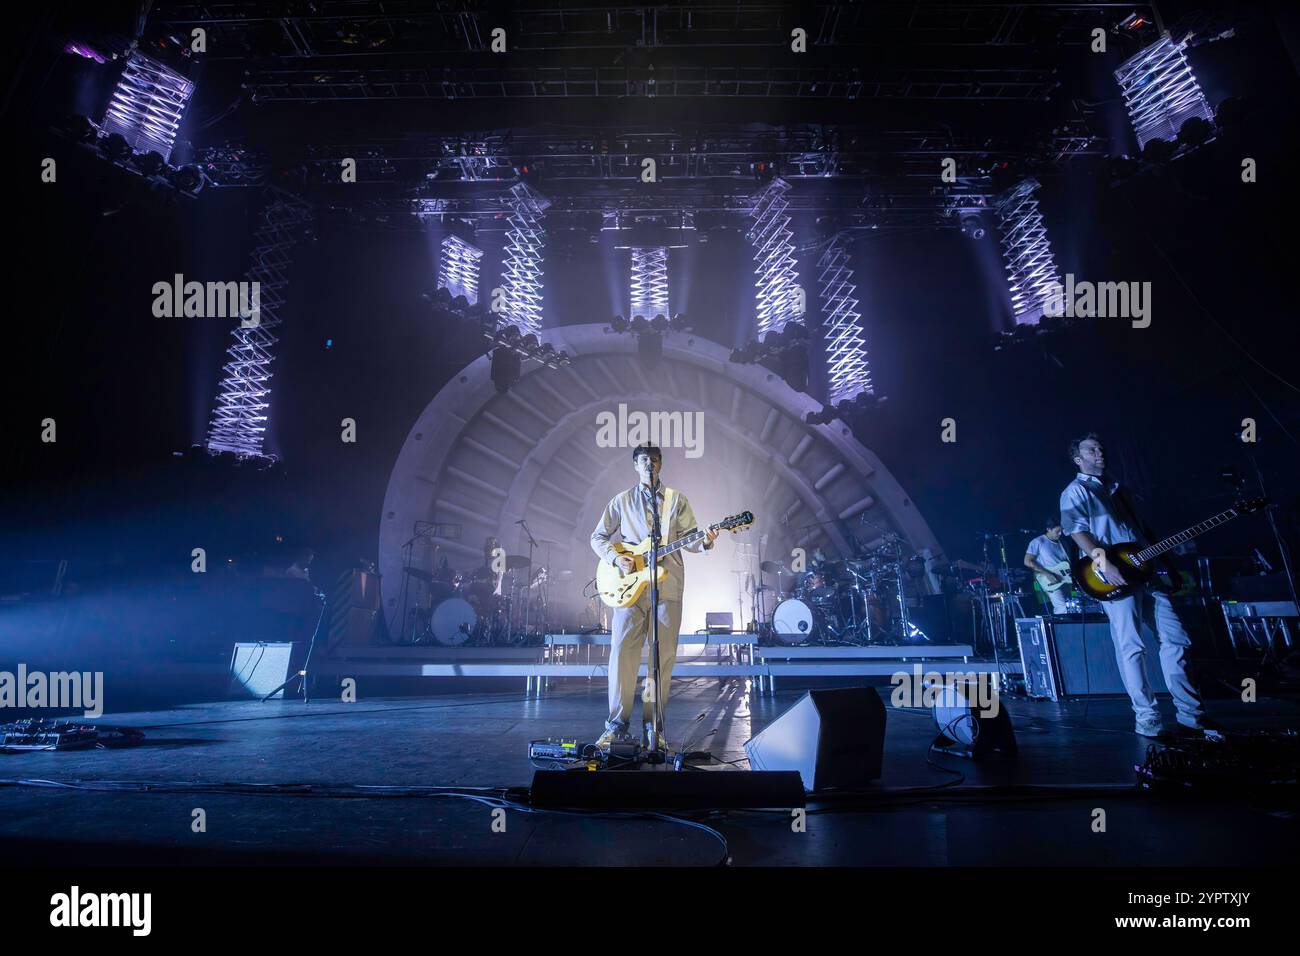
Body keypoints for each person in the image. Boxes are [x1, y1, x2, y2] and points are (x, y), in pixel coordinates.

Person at [1059, 433, 1220, 739]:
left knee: (1177, 639)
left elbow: (1136, 533)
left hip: (1146, 573)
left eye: (1101, 448)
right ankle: (1146, 717)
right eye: (1091, 450)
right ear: (1078, 459)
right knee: (1131, 646)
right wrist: (1103, 561)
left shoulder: (1119, 490)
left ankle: (1192, 716)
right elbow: (1075, 530)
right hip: (1111, 576)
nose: (1100, 452)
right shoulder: (1075, 491)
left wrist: (1166, 551)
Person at [590, 445, 717, 751]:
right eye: (644, 460)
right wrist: (615, 558)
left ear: (661, 465)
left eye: (655, 460)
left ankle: (654, 728)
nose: (650, 464)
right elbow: (598, 537)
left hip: (668, 587)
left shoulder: (677, 499)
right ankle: (616, 726)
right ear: (635, 465)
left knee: (662, 660)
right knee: (622, 654)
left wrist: (707, 541)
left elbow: (691, 540)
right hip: (630, 589)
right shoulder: (622, 500)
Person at [1024, 518, 1071, 614]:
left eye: (1061, 530)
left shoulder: (1063, 543)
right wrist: (1048, 574)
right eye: (1057, 531)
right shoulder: (1038, 542)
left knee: (1070, 606)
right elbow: (1027, 561)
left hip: (1065, 578)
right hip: (1049, 580)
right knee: (1063, 608)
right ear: (1048, 529)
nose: (1060, 533)